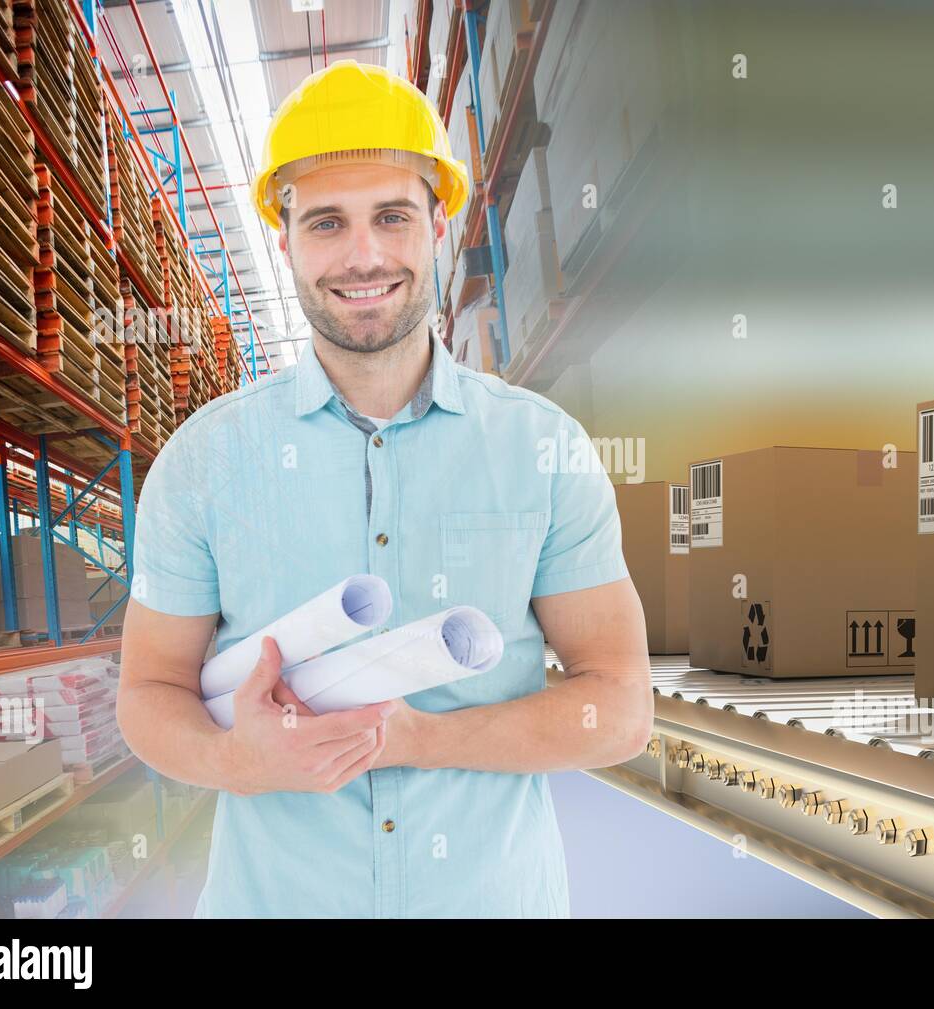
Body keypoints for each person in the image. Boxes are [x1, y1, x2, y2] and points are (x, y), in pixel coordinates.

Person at [117, 60, 653, 918]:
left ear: (438, 224)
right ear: (284, 238)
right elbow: (148, 693)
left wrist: (428, 739)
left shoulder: (541, 448)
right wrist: (236, 762)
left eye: (392, 216)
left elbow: (621, 705)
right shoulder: (203, 462)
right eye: (326, 222)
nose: (362, 255)